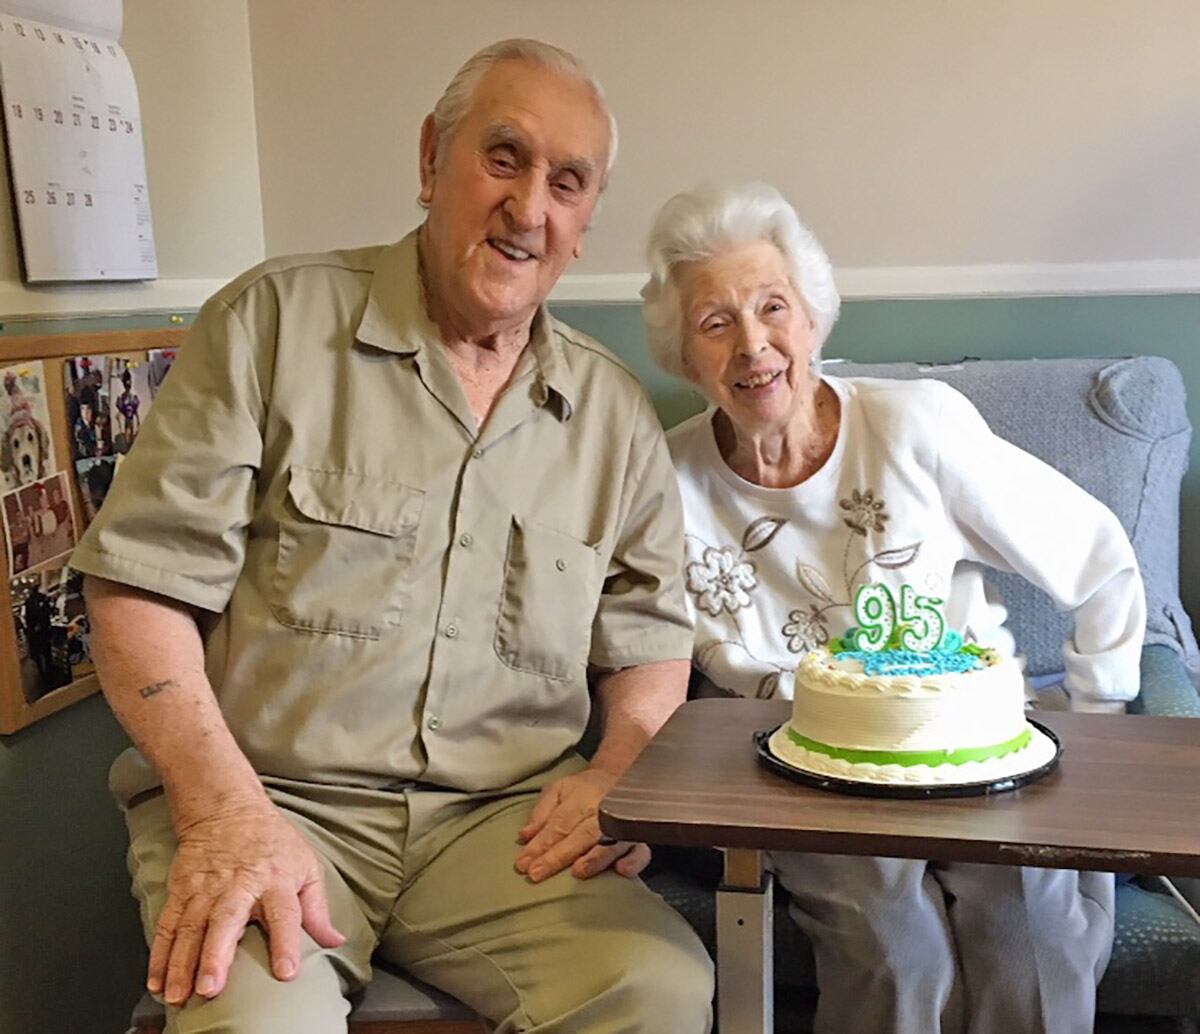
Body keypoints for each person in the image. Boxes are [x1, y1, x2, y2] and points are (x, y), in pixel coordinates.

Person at [73, 39, 712, 1034]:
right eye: (504, 157)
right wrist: (220, 807)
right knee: (251, 1024)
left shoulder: (614, 416)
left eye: (568, 182)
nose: (530, 205)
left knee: (659, 983)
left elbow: (652, 641)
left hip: (501, 826)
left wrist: (612, 769)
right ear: (431, 161)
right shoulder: (269, 324)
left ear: (585, 224)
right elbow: (137, 592)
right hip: (273, 800)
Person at [641, 181, 1146, 1034]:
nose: (754, 345)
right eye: (715, 322)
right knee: (892, 946)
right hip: (796, 772)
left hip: (973, 757)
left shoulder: (917, 427)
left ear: (814, 321)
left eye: (774, 308)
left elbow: (1101, 561)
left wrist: (1090, 721)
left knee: (1028, 924)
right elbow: (641, 648)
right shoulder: (664, 482)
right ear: (686, 358)